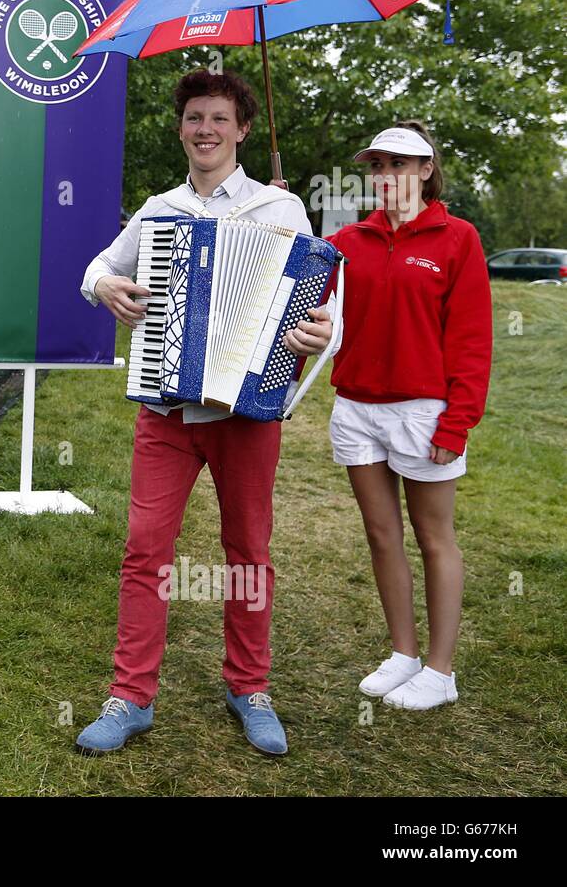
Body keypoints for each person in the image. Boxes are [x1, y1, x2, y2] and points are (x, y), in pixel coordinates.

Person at [75, 68, 334, 756]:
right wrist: (109, 288)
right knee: (144, 550)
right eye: (195, 117)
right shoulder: (160, 209)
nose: (206, 129)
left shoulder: (281, 213)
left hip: (248, 413)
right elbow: (94, 268)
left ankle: (249, 687)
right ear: (182, 127)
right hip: (167, 410)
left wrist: (319, 332)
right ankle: (130, 697)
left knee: (247, 551)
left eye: (220, 118)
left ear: (243, 129)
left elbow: (320, 314)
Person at [325, 122, 491, 710]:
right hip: (356, 409)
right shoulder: (347, 242)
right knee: (380, 534)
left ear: (425, 171)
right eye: (377, 166)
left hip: (425, 412)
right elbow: (313, 317)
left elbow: (471, 340)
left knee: (434, 537)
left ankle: (441, 672)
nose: (386, 176)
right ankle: (403, 653)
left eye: (399, 165)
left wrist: (457, 422)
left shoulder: (457, 238)